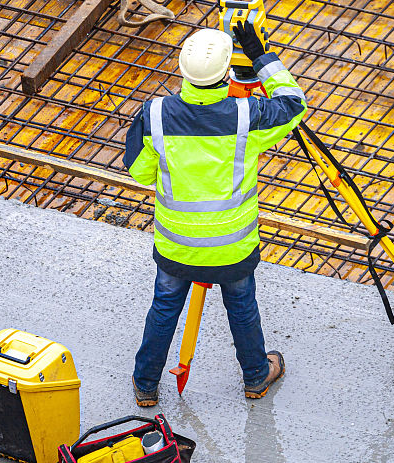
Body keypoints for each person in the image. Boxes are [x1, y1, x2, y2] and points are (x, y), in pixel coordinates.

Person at [124, 21, 307, 405]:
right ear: (226, 70)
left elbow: (139, 171)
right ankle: (256, 377)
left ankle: (145, 385)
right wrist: (261, 58)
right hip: (231, 248)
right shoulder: (247, 117)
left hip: (177, 246)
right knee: (242, 307)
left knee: (164, 308)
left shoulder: (154, 115)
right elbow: (294, 104)